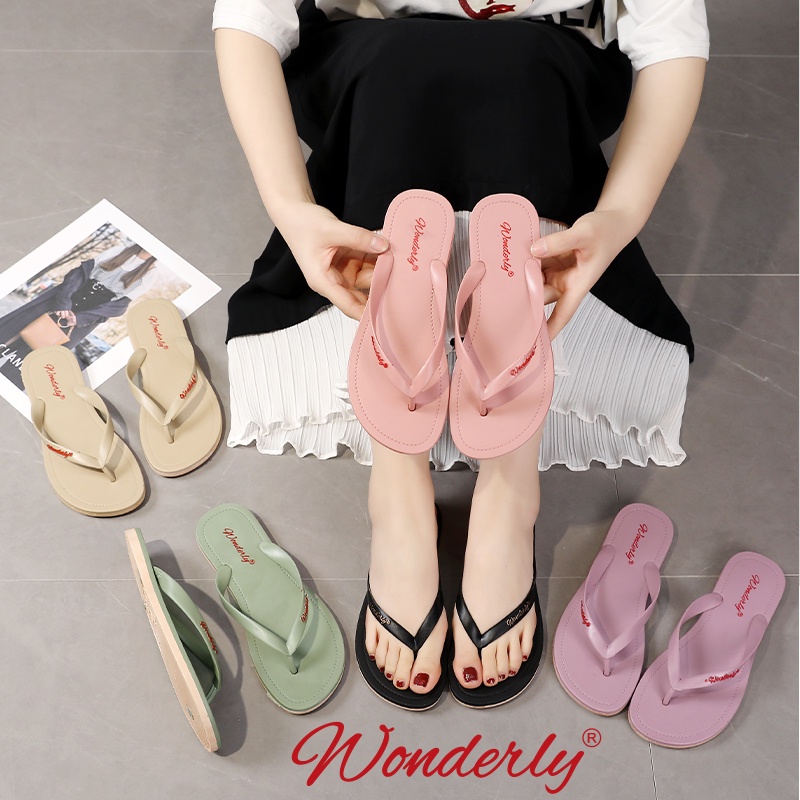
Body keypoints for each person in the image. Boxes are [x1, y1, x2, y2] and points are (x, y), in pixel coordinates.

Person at [213, 0, 708, 703]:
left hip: (547, 73)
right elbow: (249, 15)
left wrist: (620, 216)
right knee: (402, 62)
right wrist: (291, 211)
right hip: (369, 67)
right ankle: (399, 480)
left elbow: (670, 33)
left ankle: (510, 481)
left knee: (517, 65)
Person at [0, 244, 157, 385]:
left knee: (37, 353)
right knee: (14, 330)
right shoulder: (119, 251)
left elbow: (118, 306)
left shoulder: (150, 273)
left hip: (82, 320)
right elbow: (79, 273)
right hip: (60, 299)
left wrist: (79, 319)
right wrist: (63, 302)